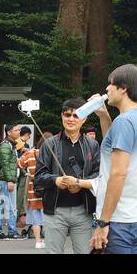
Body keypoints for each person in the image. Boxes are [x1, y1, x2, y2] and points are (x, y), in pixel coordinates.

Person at [89, 63, 137, 255]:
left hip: (118, 220)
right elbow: (114, 146)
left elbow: (118, 173)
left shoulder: (124, 122)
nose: (107, 89)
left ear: (124, 87)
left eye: (111, 84)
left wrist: (103, 222)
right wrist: (104, 116)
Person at [33, 99, 101, 254]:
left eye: (76, 116)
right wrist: (56, 180)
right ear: (61, 116)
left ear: (84, 119)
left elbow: (99, 175)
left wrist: (80, 183)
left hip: (83, 210)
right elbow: (38, 177)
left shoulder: (92, 145)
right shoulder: (49, 144)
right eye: (67, 115)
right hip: (55, 211)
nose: (71, 119)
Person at [0, 125, 21, 240]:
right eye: (16, 130)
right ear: (9, 132)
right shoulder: (5, 146)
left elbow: (12, 164)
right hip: (6, 181)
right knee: (11, 207)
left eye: (19, 130)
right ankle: (12, 232)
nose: (18, 132)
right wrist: (10, 180)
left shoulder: (9, 145)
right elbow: (6, 165)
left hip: (5, 180)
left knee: (2, 207)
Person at [16, 129, 45, 250]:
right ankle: (50, 241)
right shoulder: (53, 154)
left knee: (36, 217)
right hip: (48, 190)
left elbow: (19, 164)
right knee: (49, 218)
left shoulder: (30, 153)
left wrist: (28, 172)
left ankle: (38, 241)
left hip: (34, 190)